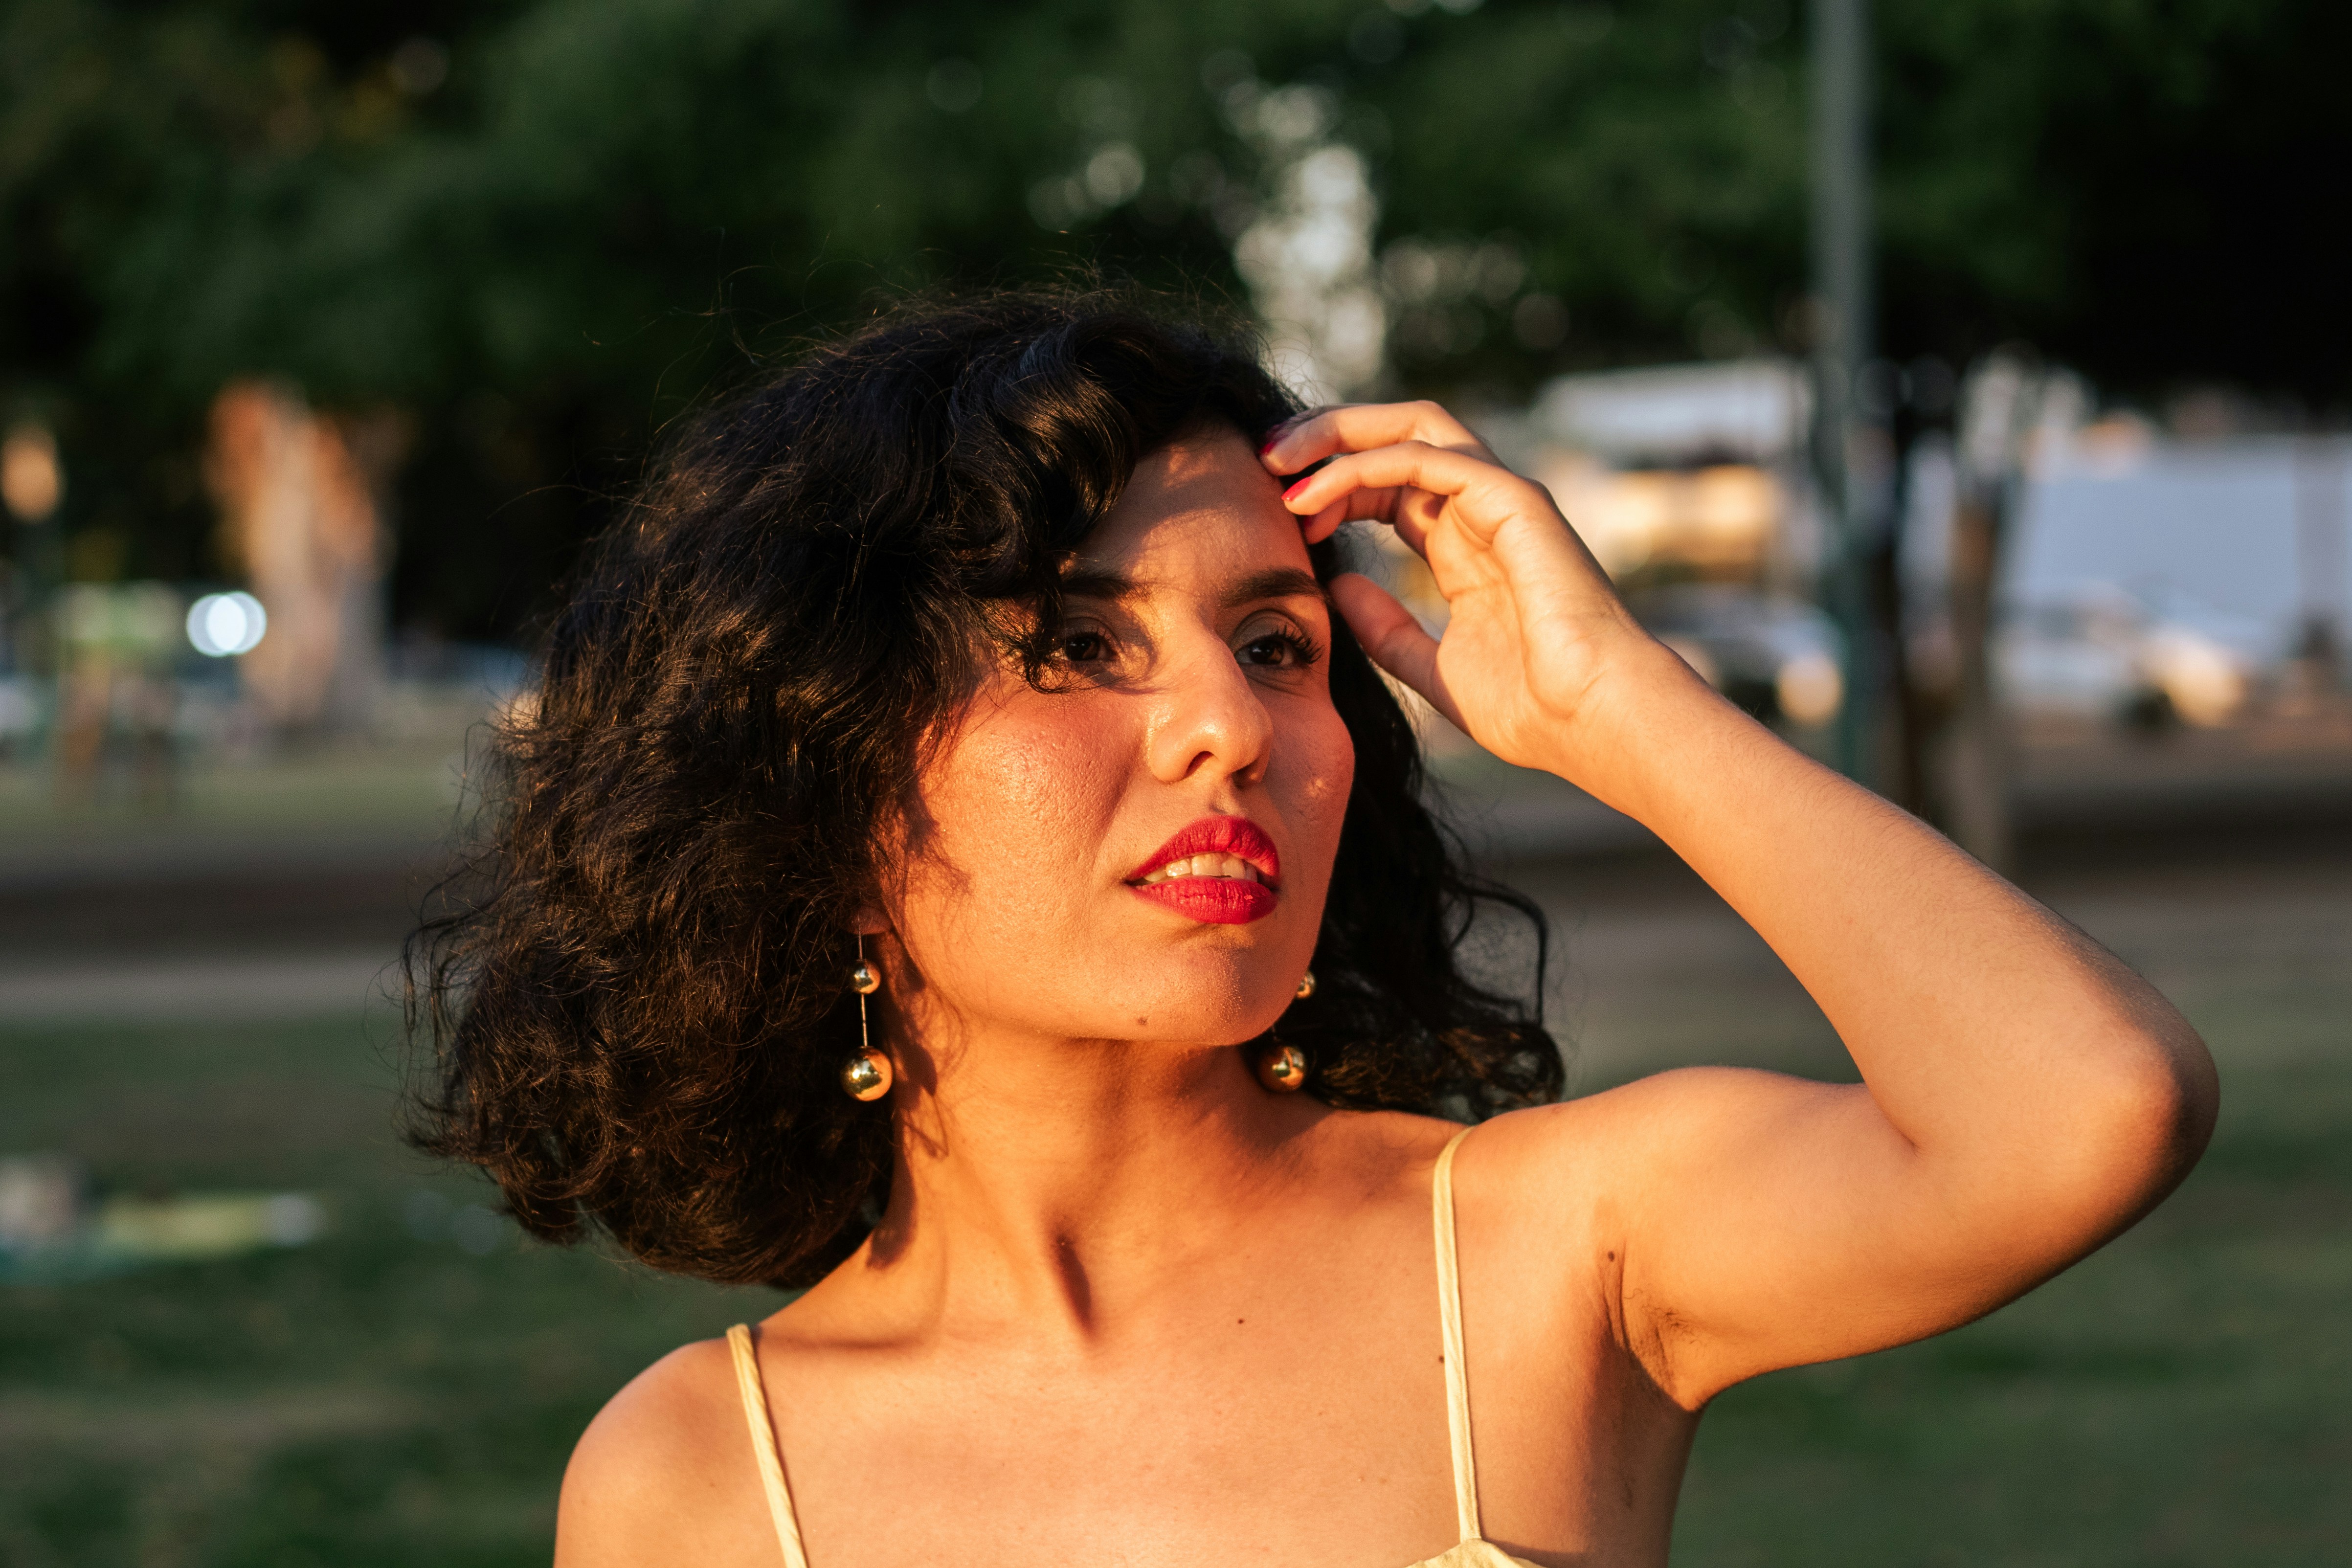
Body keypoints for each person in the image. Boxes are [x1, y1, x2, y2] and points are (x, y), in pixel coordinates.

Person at [408, 290, 2216, 1568]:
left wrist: (1616, 711)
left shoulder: (1553, 1252)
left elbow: (2088, 1106)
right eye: (1080, 645)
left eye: (1277, 646)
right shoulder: (699, 1479)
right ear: (817, 768)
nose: (1230, 725)